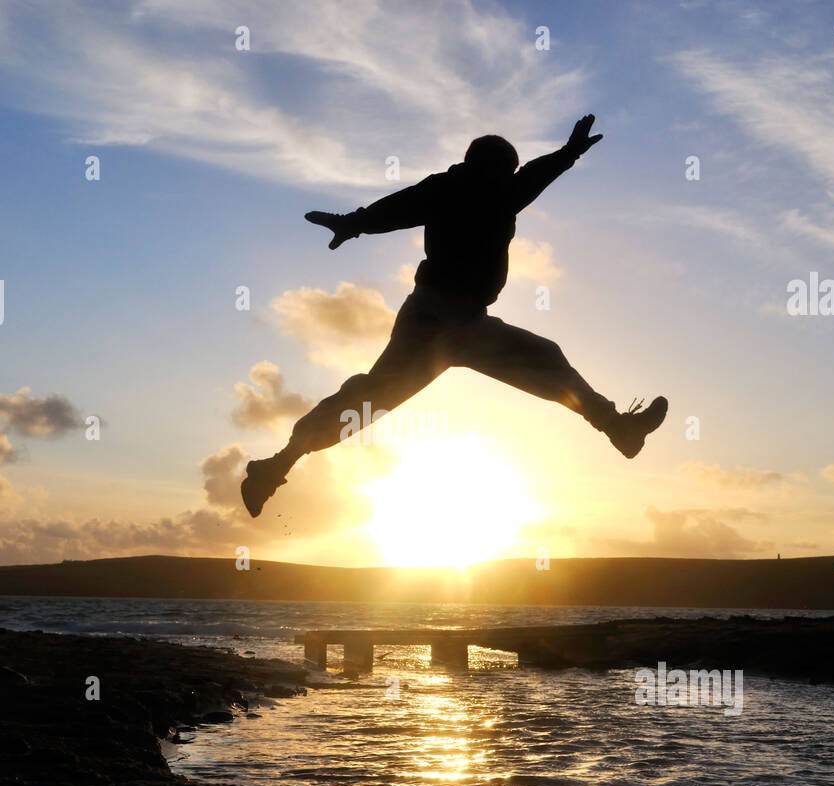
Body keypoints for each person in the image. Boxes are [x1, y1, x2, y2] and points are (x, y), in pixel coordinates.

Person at [242, 114, 667, 517]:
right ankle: (276, 466)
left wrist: (569, 152)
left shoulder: (503, 194)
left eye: (507, 173)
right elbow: (398, 207)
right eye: (501, 170)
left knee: (545, 358)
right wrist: (352, 223)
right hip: (432, 320)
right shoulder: (451, 189)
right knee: (369, 399)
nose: (505, 179)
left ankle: (617, 427)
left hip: (469, 324)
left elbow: (535, 177)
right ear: (479, 167)